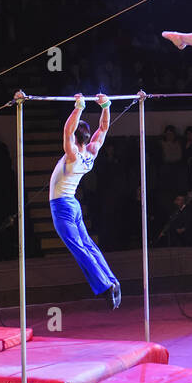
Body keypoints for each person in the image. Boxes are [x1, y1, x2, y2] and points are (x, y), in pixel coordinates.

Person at [48, 93, 122, 308]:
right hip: (72, 204)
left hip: (62, 206)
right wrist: (106, 106)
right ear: (87, 138)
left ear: (75, 139)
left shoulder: (72, 155)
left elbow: (66, 131)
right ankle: (112, 280)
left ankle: (106, 286)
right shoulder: (92, 151)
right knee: (88, 246)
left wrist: (79, 107)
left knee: (80, 249)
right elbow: (104, 128)